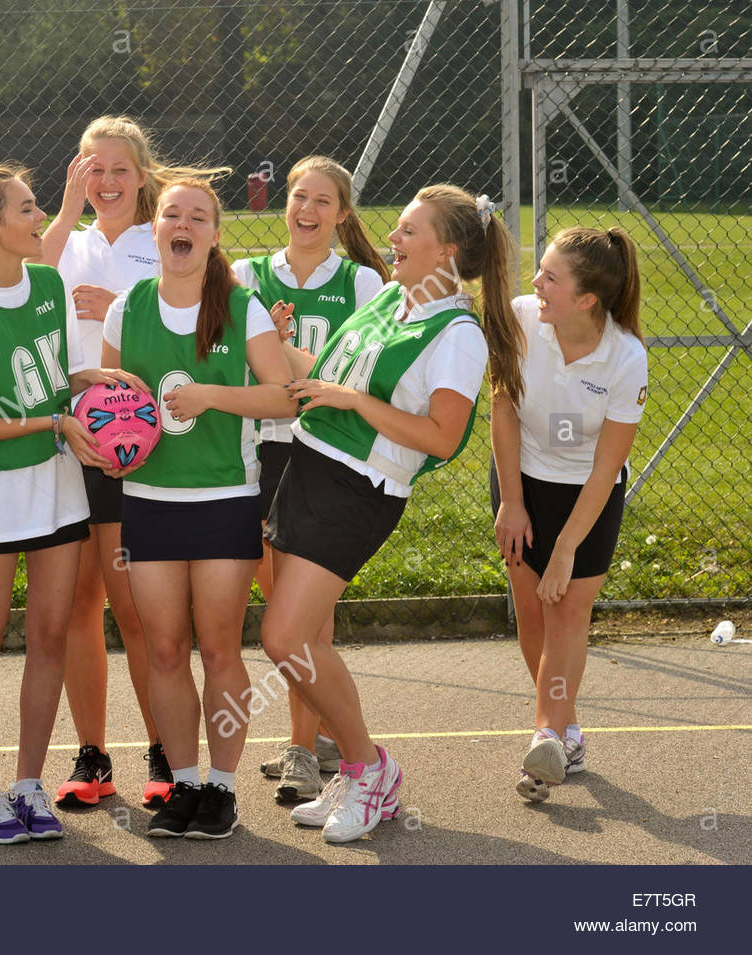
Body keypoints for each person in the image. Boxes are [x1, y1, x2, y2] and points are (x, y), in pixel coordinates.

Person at [260, 185, 525, 843]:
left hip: (359, 490)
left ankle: (373, 768)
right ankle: (357, 771)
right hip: (310, 466)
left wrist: (351, 401)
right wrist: (282, 346)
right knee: (306, 641)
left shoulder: (458, 334)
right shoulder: (388, 297)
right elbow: (325, 377)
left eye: (409, 232)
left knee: (283, 637)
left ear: (450, 249)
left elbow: (440, 435)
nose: (393, 240)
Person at [0, 163, 145, 844]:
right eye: (26, 208)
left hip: (58, 487)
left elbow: (58, 376)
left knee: (49, 637)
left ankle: (27, 783)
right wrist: (51, 424)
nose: (39, 215)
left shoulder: (48, 283)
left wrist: (96, 379)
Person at [36, 116, 229, 809]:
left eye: (119, 169)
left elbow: (193, 329)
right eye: (92, 168)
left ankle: (163, 749)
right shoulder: (68, 240)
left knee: (137, 611)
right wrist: (62, 211)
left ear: (142, 177)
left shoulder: (161, 245)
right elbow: (25, 273)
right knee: (77, 606)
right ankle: (92, 753)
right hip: (65, 437)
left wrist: (116, 305)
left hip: (138, 448)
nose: (106, 182)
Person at [101, 177, 295, 840]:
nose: (183, 224)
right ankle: (183, 781)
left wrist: (214, 394)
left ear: (214, 235)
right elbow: (106, 408)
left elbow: (283, 397)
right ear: (155, 229)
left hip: (223, 497)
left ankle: (222, 786)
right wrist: (107, 446)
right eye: (172, 214)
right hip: (148, 500)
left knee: (216, 646)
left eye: (198, 216)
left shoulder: (242, 309)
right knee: (162, 647)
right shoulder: (126, 309)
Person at [230, 155, 389, 803]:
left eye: (323, 201)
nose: (308, 209)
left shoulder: (361, 286)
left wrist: (296, 353)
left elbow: (365, 379)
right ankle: (321, 735)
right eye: (300, 196)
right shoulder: (245, 275)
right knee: (279, 608)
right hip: (255, 453)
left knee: (305, 615)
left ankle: (302, 748)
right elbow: (212, 350)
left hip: (318, 457)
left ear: (342, 214)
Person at [491, 226, 646, 803]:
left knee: (568, 615)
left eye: (550, 277)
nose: (536, 283)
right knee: (533, 615)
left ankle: (546, 739)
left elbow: (606, 470)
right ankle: (565, 731)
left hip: (588, 495)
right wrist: (511, 501)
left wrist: (564, 551)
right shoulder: (522, 318)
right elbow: (502, 407)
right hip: (522, 481)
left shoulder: (625, 357)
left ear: (587, 299)